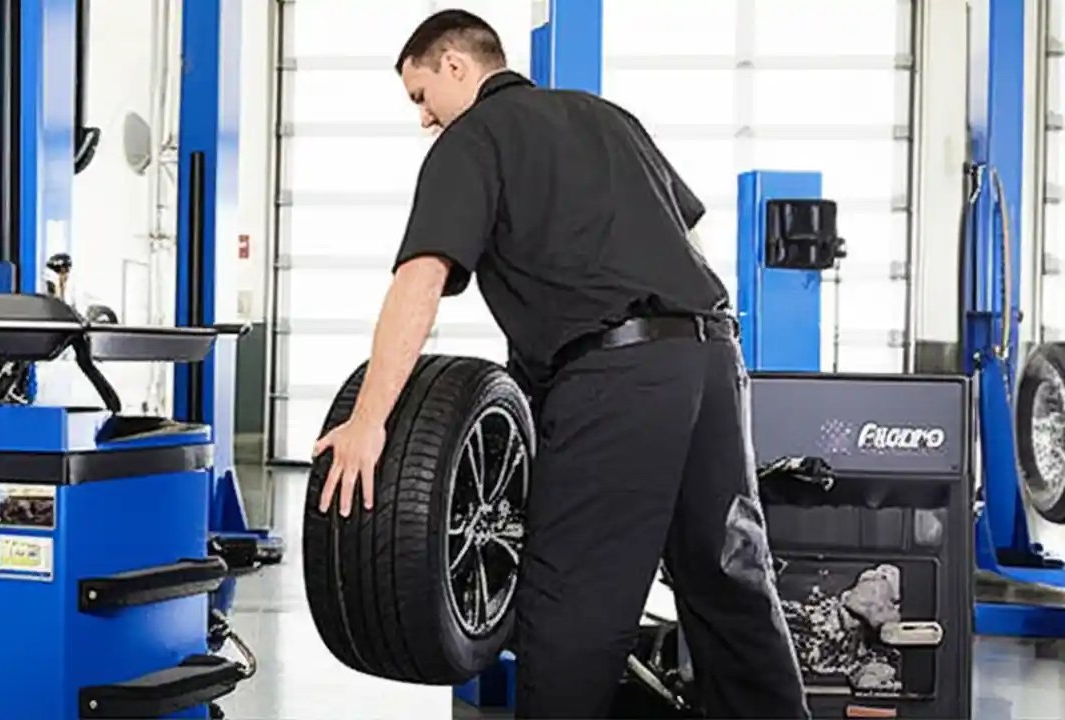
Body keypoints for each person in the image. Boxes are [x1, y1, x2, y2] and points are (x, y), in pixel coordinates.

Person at [311, 9, 811, 720]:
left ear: (457, 66)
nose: (423, 119)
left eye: (421, 96)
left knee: (574, 601)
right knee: (730, 581)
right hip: (712, 360)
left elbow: (420, 280)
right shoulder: (608, 119)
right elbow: (683, 232)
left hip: (617, 377)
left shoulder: (473, 138)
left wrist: (369, 419)